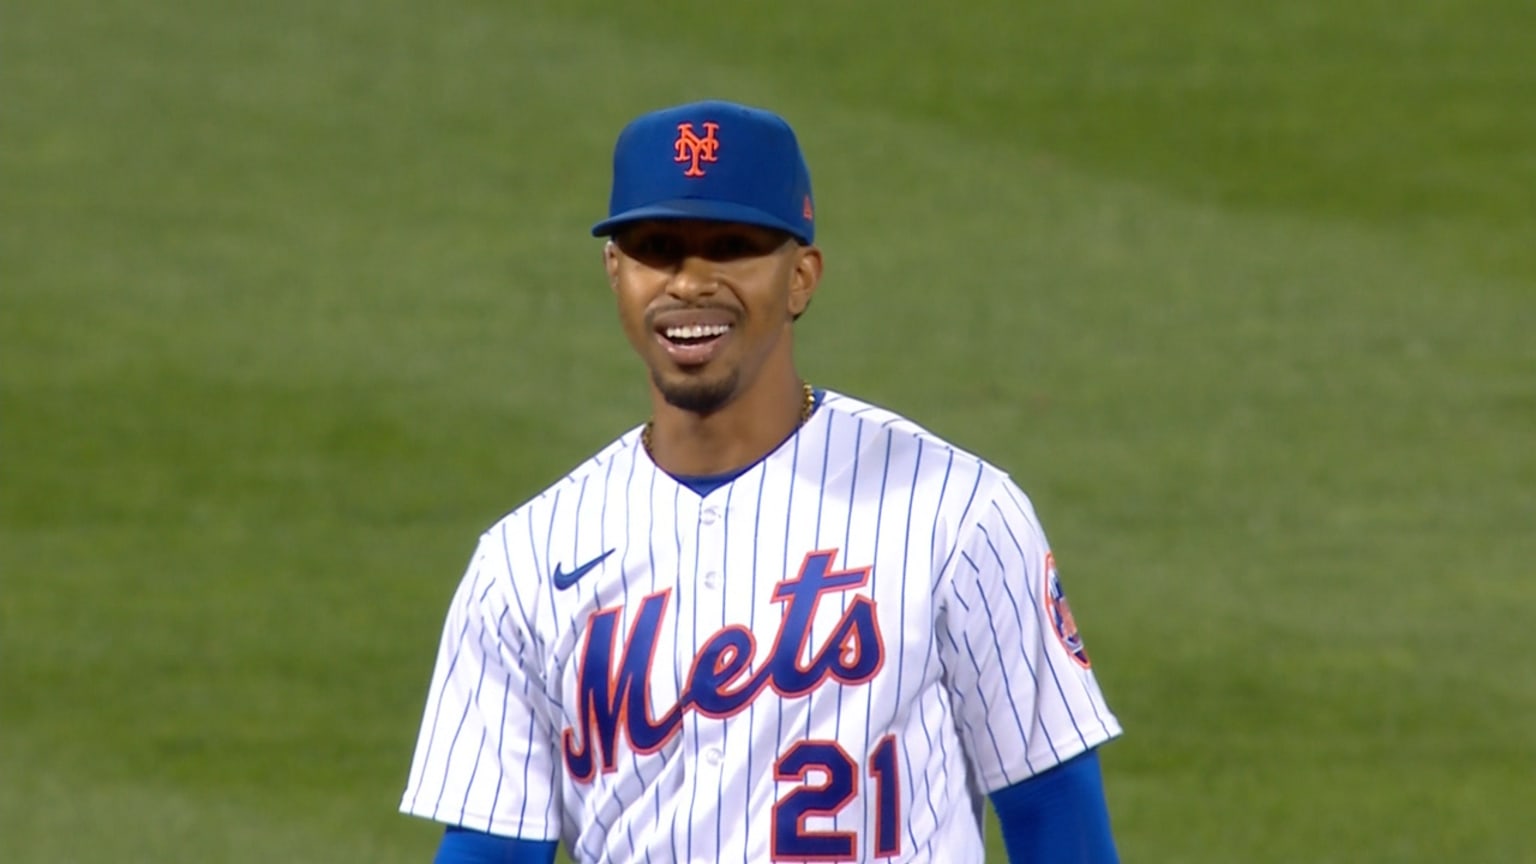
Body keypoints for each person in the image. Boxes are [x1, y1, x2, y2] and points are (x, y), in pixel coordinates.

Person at [400, 99, 1123, 863]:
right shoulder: (523, 561)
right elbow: (489, 850)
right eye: (657, 249)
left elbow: (1056, 816)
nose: (690, 284)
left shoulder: (956, 512)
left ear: (800, 277)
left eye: (732, 248)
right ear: (616, 273)